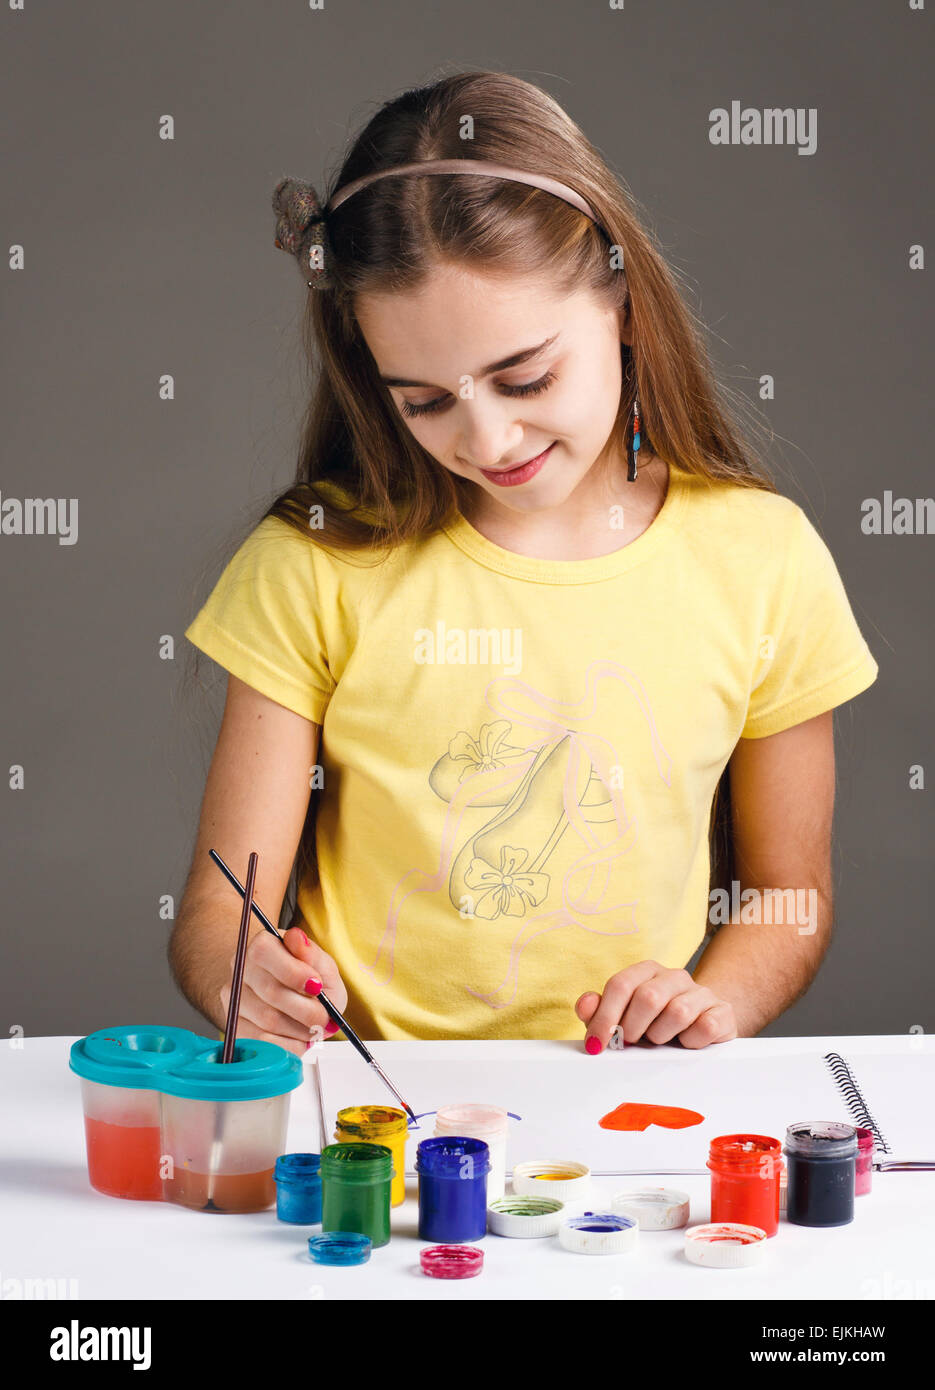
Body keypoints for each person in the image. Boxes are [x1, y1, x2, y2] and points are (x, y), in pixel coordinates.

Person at [170, 71, 877, 1057]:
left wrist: (711, 1002)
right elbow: (219, 907)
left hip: (628, 1112)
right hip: (374, 1112)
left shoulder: (761, 560)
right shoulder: (312, 565)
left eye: (525, 377)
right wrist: (241, 972)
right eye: (424, 401)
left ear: (622, 305)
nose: (488, 437)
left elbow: (787, 899)